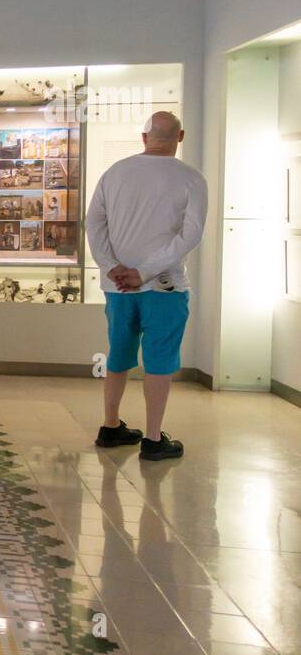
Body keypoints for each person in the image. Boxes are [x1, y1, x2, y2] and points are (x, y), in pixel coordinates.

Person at [84, 111, 208, 461]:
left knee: (119, 353)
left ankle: (110, 426)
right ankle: (153, 438)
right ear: (179, 137)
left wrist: (112, 268)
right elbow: (191, 235)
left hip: (118, 288)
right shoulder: (191, 179)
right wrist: (146, 271)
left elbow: (94, 223)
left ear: (144, 137)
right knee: (159, 359)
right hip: (165, 287)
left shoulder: (115, 172)